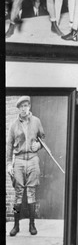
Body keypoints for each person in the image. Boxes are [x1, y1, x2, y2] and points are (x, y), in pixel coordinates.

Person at [7, 95, 46, 237]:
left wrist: (39, 145)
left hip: (33, 160)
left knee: (31, 193)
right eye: (21, 106)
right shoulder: (13, 125)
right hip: (19, 160)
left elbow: (42, 138)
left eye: (26, 105)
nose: (24, 108)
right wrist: (9, 163)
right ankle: (16, 226)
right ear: (18, 108)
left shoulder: (36, 121)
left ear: (29, 106)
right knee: (18, 195)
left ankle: (32, 225)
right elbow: (9, 146)